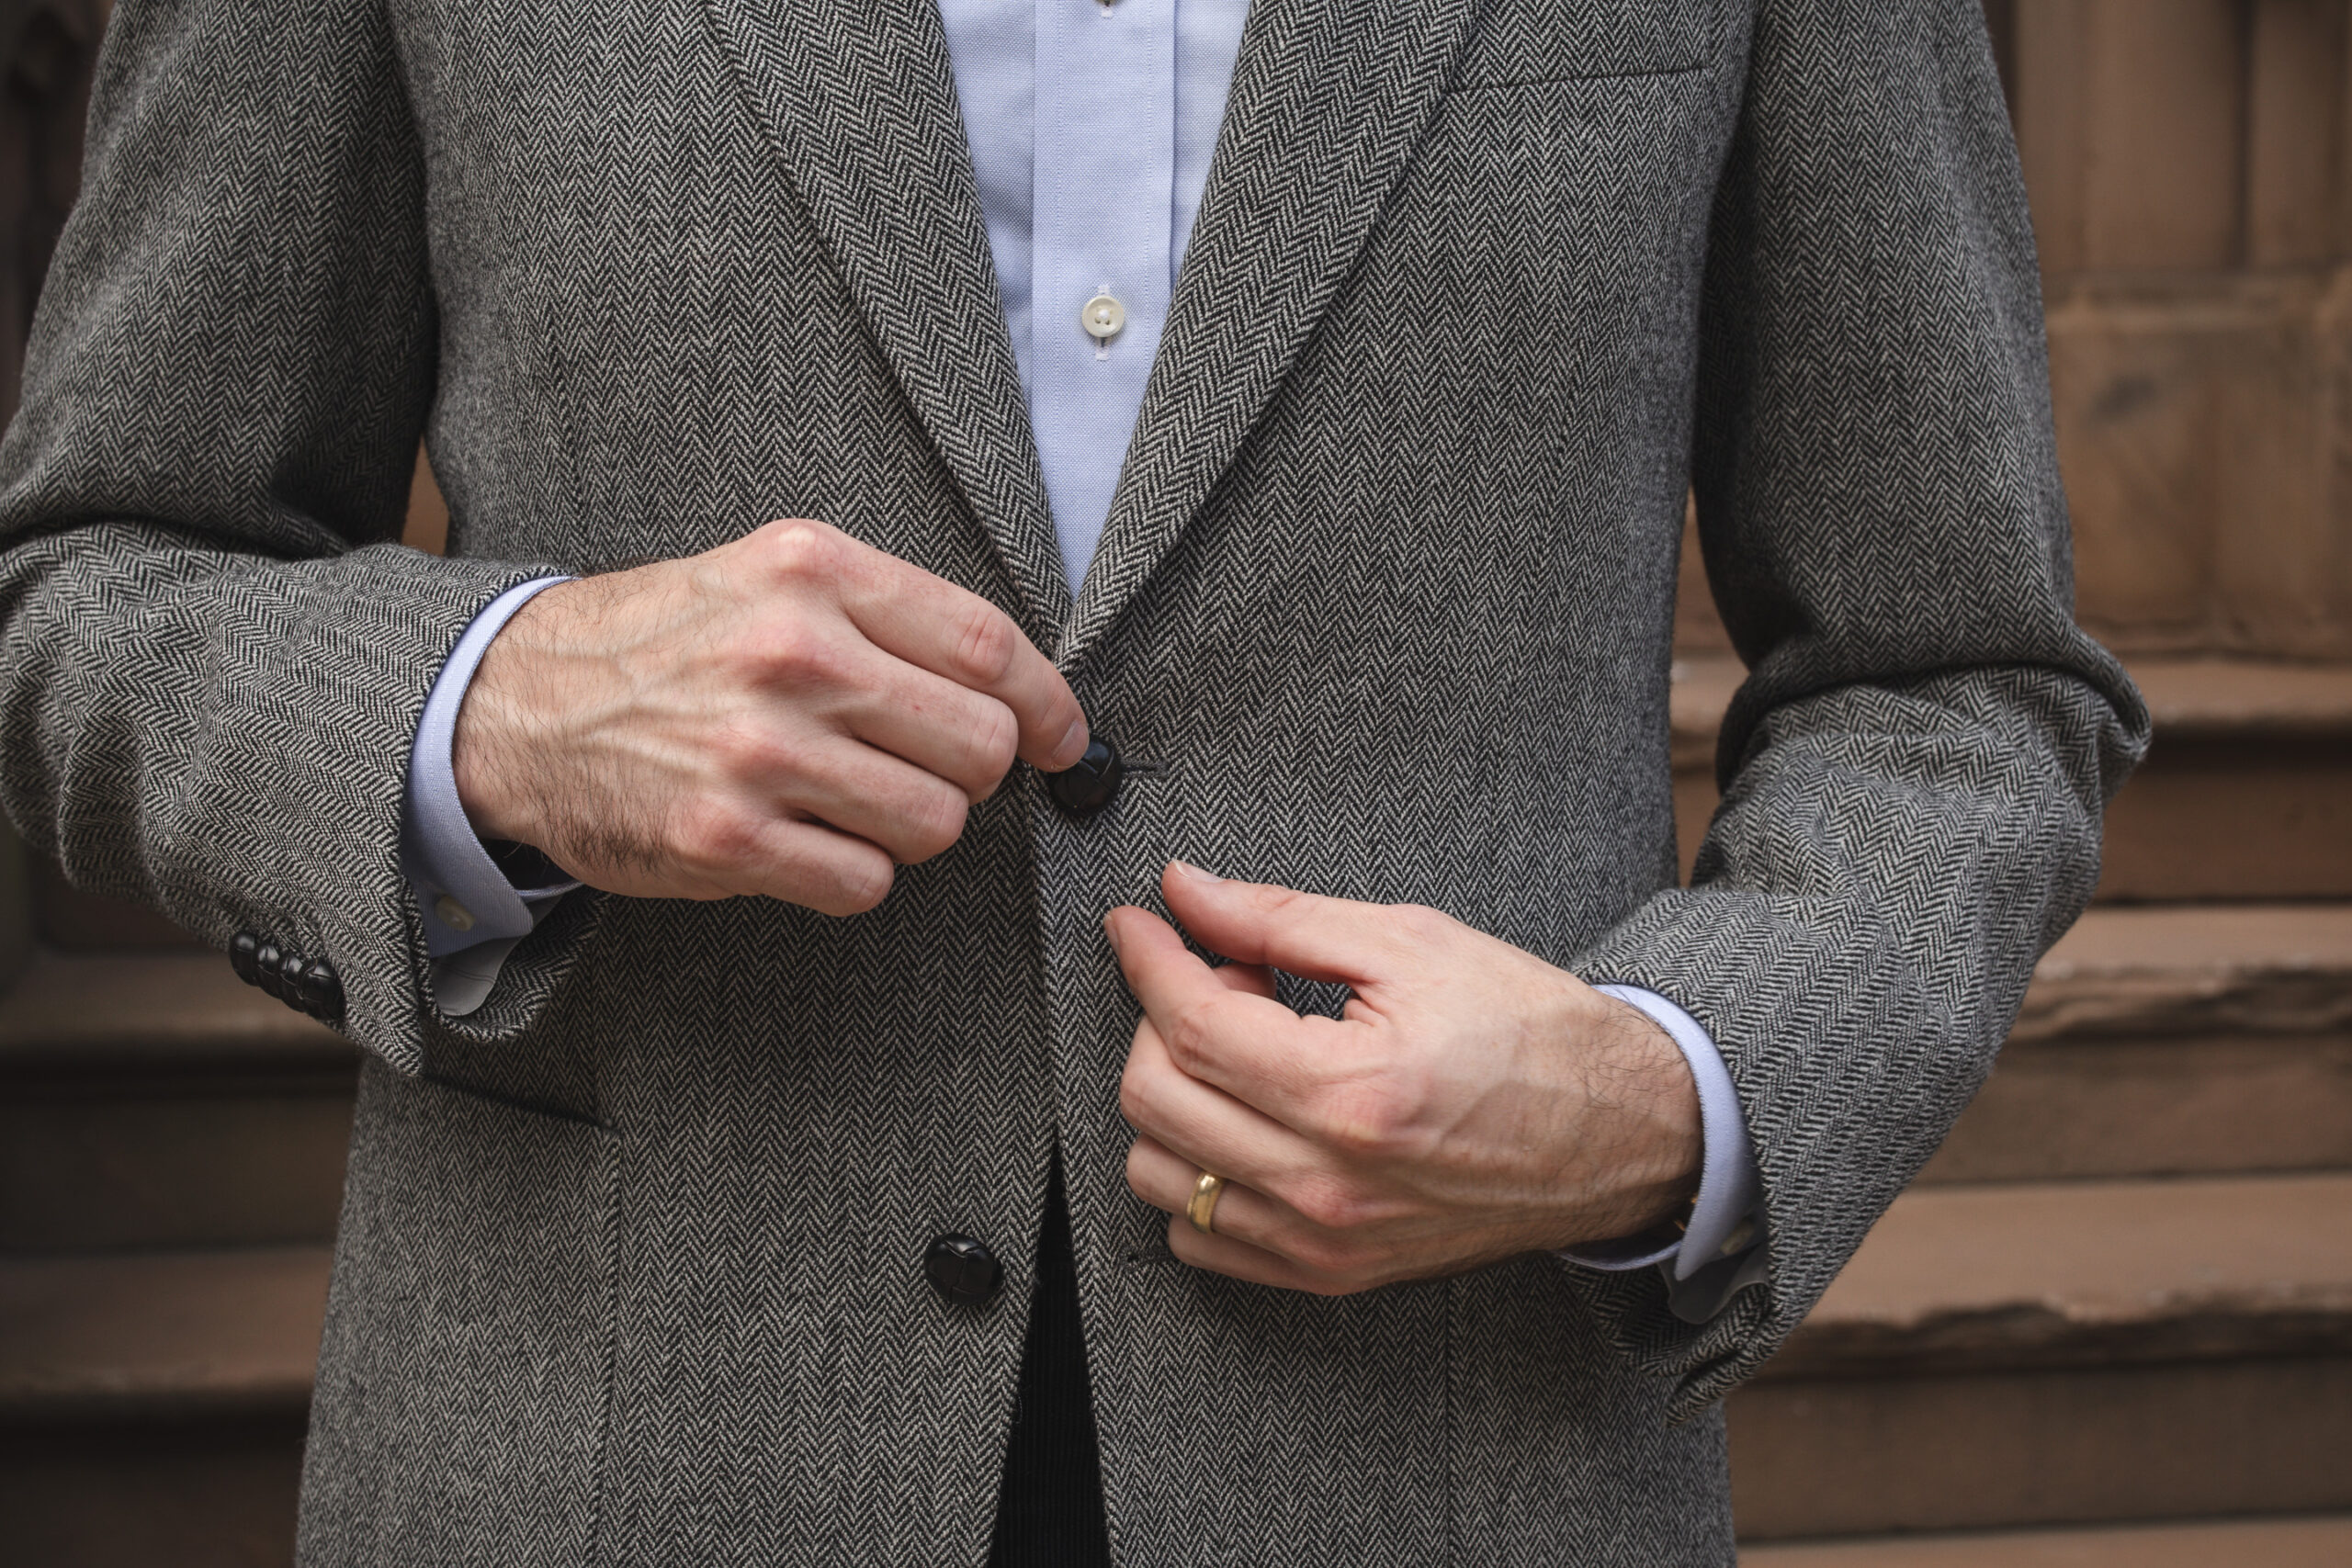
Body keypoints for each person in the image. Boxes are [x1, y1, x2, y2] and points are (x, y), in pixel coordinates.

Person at [0, 0, 2147, 1562]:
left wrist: (1664, 1088)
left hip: (1450, 1464)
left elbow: (1955, 676)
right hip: (605, 1452)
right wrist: (494, 703)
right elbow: (89, 584)